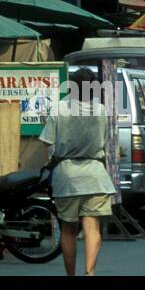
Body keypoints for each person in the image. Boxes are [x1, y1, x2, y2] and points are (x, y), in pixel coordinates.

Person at [40, 67, 116, 276]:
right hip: (95, 175)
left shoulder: (59, 108)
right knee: (92, 228)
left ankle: (71, 274)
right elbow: (105, 142)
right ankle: (89, 272)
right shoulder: (100, 110)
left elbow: (47, 143)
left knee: (68, 230)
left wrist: (54, 159)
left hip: (66, 176)